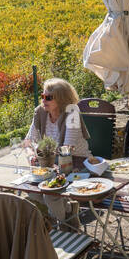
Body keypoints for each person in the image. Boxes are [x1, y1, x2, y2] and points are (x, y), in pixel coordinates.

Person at [23, 78, 90, 224]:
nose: (43, 100)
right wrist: (31, 158)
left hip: (76, 163)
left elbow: (67, 150)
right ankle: (68, 214)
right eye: (43, 96)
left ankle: (61, 226)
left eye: (48, 98)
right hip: (51, 165)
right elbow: (28, 142)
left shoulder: (72, 112)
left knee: (50, 195)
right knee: (31, 191)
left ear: (61, 99)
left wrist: (46, 162)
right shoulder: (40, 112)